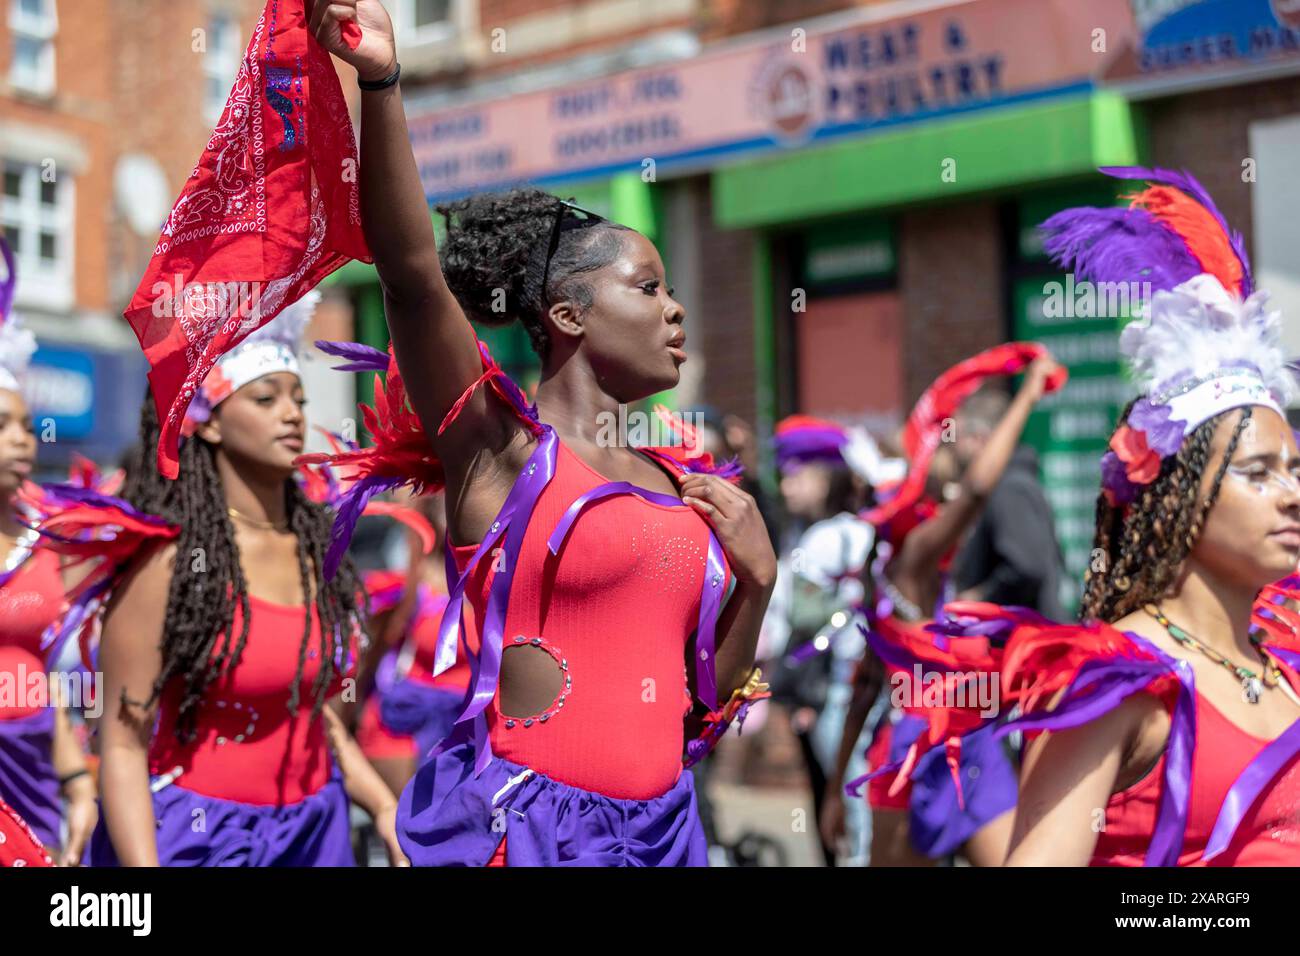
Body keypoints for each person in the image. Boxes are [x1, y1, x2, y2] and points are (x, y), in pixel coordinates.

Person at [306, 0, 776, 866]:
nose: (674, 309)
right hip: (530, 834)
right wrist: (381, 81)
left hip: (666, 834)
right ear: (566, 314)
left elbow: (703, 701)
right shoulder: (501, 454)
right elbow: (412, 280)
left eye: (671, 291)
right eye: (646, 288)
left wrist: (758, 581)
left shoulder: (686, 487)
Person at [877, 166, 1300, 865]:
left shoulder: (1284, 655)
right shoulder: (1119, 681)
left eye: (1294, 469)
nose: (1291, 493)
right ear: (1178, 495)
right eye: (1258, 473)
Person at [88, 293, 407, 866]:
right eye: (265, 399)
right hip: (203, 838)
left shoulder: (319, 551)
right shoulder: (169, 566)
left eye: (299, 399)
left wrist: (383, 806)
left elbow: (314, 719)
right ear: (206, 425)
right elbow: (120, 742)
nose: (292, 414)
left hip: (318, 834)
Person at [824, 344, 1065, 866]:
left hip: (971, 741)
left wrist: (831, 791)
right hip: (915, 752)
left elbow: (863, 690)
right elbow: (978, 491)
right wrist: (1027, 393)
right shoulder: (912, 557)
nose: (952, 484)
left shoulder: (895, 570)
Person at [0, 235, 97, 865]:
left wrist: (79, 783)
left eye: (26, 426)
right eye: (1, 427)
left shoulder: (51, 531)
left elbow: (58, 683)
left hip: (41, 772)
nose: (23, 440)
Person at [950, 389, 1066, 619]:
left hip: (1023, 642)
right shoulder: (1011, 484)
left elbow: (1029, 567)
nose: (952, 446)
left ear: (980, 440)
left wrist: (980, 598)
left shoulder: (1010, 488)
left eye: (957, 436)